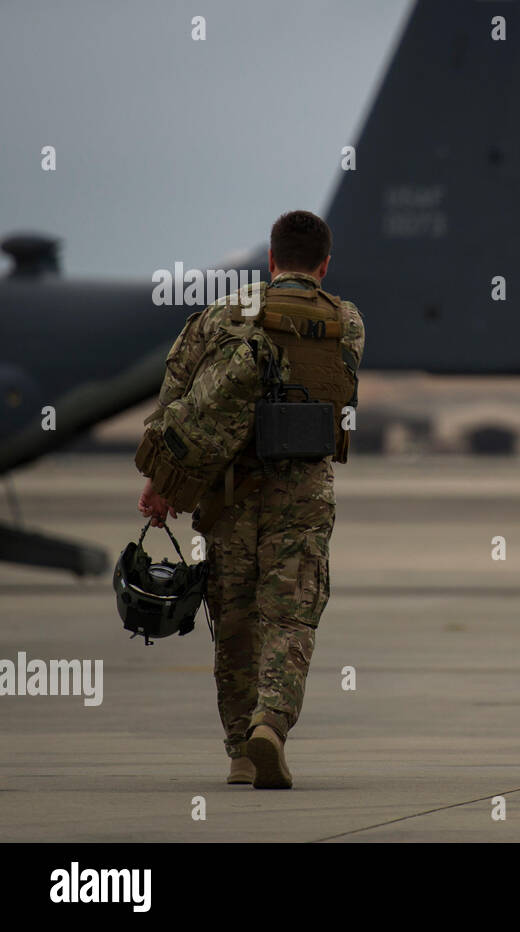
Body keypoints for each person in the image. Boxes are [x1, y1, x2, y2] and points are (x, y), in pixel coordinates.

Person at [137, 210, 364, 789]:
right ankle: (272, 722)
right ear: (324, 264)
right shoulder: (347, 322)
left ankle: (239, 750)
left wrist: (161, 484)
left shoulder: (220, 316)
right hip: (303, 496)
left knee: (234, 620)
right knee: (291, 617)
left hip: (229, 495)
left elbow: (175, 400)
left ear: (270, 259)